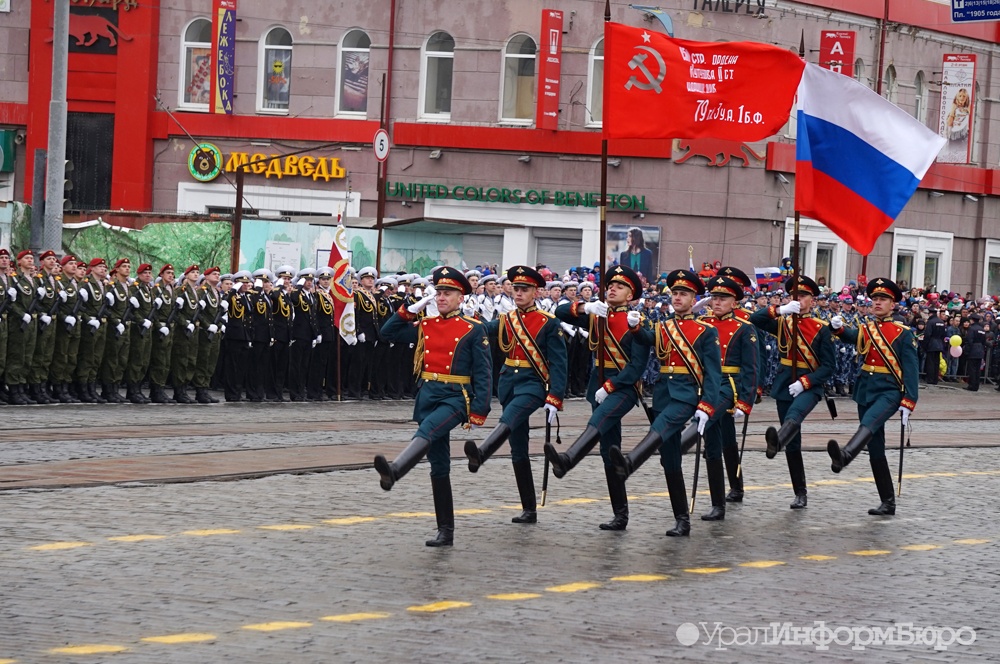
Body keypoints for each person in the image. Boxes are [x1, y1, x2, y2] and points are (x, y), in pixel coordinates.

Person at [375, 267, 492, 547]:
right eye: (438, 292)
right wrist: (407, 310)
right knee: (439, 465)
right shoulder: (425, 325)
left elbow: (484, 372)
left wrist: (480, 409)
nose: (441, 297)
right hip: (428, 394)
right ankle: (445, 531)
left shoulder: (474, 328)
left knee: (428, 430)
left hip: (455, 396)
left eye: (447, 293)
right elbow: (386, 332)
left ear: (460, 298)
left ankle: (395, 471)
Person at [609, 269, 721, 537]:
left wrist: (707, 405)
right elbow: (647, 339)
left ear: (694, 297)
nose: (678, 298)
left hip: (686, 395)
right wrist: (635, 326)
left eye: (683, 294)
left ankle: (629, 464)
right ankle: (682, 520)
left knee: (659, 427)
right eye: (675, 294)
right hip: (662, 394)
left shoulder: (705, 331)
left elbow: (714, 374)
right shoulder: (663, 326)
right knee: (670, 460)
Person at [546, 265, 650, 531]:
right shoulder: (597, 315)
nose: (612, 289)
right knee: (609, 452)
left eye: (620, 287)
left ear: (630, 295)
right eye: (610, 285)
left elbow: (636, 366)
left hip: (623, 387)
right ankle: (620, 515)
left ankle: (568, 459)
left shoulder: (637, 321)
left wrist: (612, 385)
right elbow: (558, 312)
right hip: (597, 385)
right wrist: (585, 308)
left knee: (601, 417)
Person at [465, 265, 567, 525]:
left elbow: (558, 363)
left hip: (533, 384)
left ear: (535, 291)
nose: (519, 293)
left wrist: (555, 396)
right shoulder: (506, 319)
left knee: (510, 418)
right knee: (518, 448)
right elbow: (483, 331)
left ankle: (483, 452)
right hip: (509, 383)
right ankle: (529, 509)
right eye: (516, 288)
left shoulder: (548, 322)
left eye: (524, 289)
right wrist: (465, 320)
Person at [827, 278, 918, 516]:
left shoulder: (903, 333)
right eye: (875, 299)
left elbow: (910, 369)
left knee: (869, 423)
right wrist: (837, 328)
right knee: (875, 448)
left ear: (893, 304)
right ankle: (887, 502)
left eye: (883, 300)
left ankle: (846, 455)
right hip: (866, 389)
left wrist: (909, 400)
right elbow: (852, 335)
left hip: (889, 390)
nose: (877, 303)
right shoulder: (867, 328)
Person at [750, 275, 835, 509]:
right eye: (794, 296)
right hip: (785, 382)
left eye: (804, 296)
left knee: (794, 416)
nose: (799, 299)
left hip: (810, 384)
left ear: (813, 301)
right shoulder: (783, 322)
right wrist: (780, 309)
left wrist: (806, 382)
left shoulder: (822, 329)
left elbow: (829, 366)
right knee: (794, 443)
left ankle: (776, 441)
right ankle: (800, 492)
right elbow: (754, 319)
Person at [692, 274, 758, 520]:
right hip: (707, 384)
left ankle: (720, 502)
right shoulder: (703, 323)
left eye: (723, 298)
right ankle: (728, 494)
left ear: (734, 302)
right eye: (714, 298)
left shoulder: (744, 327)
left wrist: (746, 401)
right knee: (721, 441)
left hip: (729, 385)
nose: (717, 302)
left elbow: (752, 368)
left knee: (708, 426)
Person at [924, 307, 945, 384]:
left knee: (930, 362)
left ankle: (930, 379)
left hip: (932, 344)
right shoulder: (941, 322)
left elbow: (927, 334)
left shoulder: (930, 322)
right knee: (937, 362)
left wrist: (925, 345)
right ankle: (935, 379)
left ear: (930, 313)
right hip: (939, 344)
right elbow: (943, 334)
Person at [965, 313, 986, 391]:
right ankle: (976, 385)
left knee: (972, 369)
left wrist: (966, 351)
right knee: (977, 370)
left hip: (973, 350)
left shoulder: (972, 329)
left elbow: (969, 341)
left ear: (972, 320)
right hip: (980, 350)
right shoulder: (982, 329)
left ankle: (971, 385)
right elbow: (984, 341)